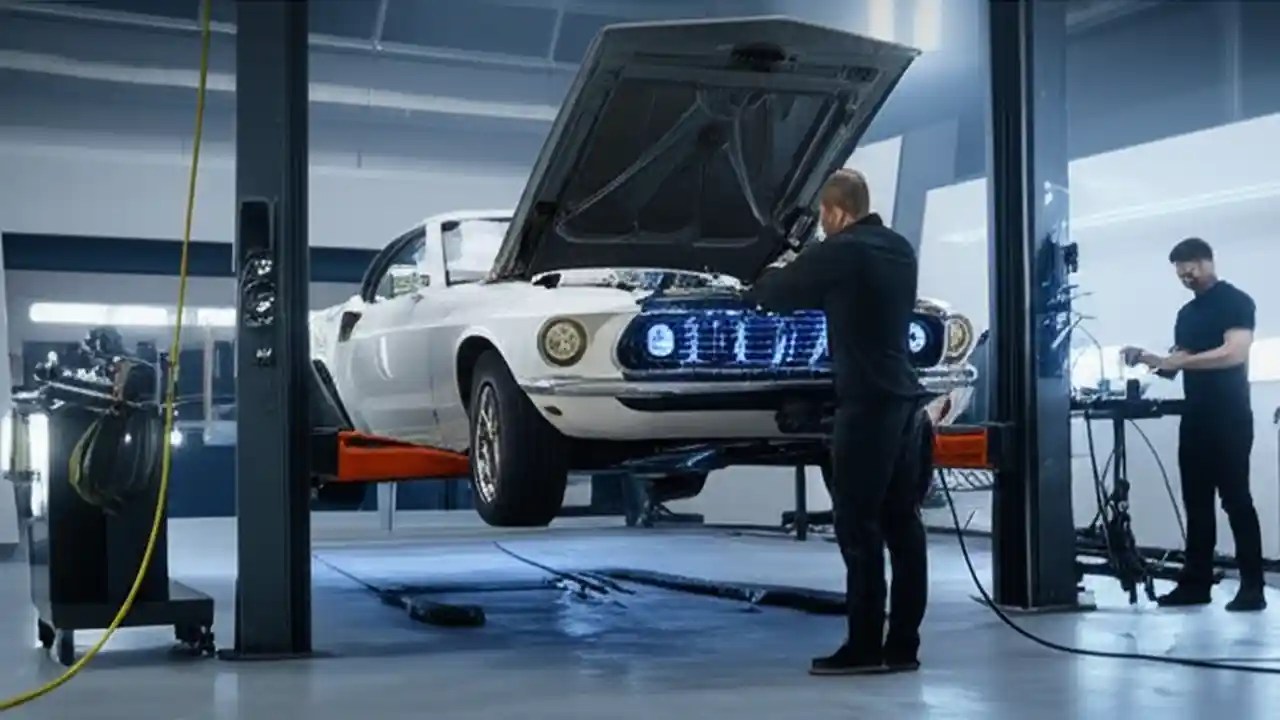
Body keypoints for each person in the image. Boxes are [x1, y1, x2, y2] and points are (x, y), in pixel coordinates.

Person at [744, 168, 931, 675]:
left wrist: (772, 268)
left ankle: (864, 647)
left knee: (857, 525)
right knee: (903, 524)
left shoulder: (842, 250)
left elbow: (771, 294)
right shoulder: (898, 247)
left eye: (823, 218)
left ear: (834, 212)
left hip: (866, 403)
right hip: (907, 400)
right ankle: (903, 646)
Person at [1123, 237, 1266, 612]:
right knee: (1196, 503)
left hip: (1230, 417)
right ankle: (1196, 584)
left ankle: (1253, 587)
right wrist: (1149, 358)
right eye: (1180, 268)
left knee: (1236, 500)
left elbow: (1233, 353)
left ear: (1208, 261)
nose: (1186, 274)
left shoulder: (1236, 301)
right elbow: (1179, 359)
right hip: (1196, 417)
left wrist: (1178, 363)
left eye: (1192, 265)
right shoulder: (1187, 314)